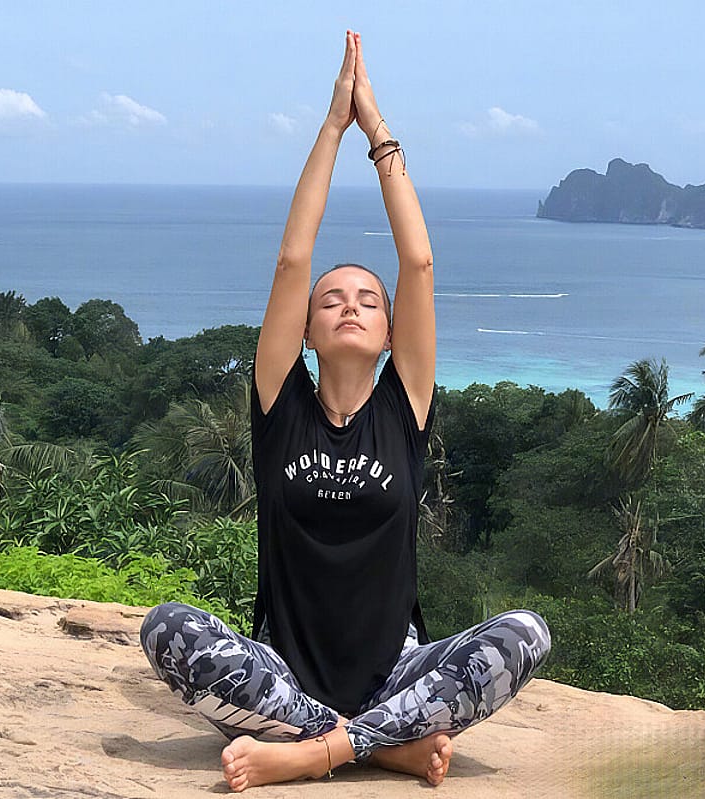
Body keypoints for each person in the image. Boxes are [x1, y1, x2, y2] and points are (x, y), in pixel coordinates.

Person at [140, 30, 550, 792]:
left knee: (526, 633)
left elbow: (419, 263)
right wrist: (331, 126)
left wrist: (379, 133)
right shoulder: (278, 401)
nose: (350, 305)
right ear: (305, 329)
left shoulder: (406, 404)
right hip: (282, 674)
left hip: (395, 672)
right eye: (332, 300)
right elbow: (292, 259)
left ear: (392, 331)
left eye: (368, 299)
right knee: (167, 626)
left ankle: (323, 748)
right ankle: (380, 748)